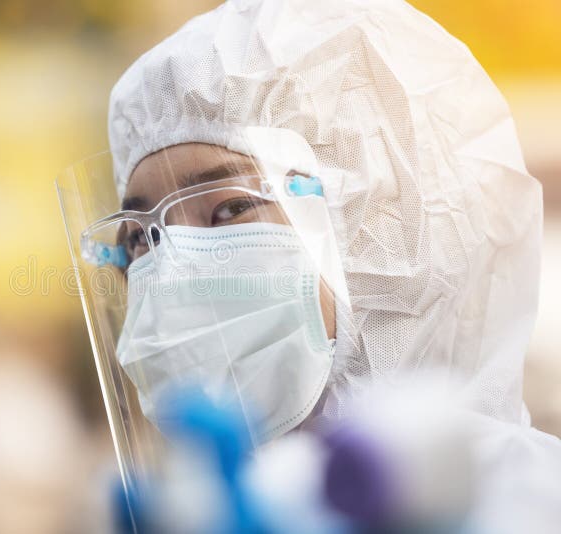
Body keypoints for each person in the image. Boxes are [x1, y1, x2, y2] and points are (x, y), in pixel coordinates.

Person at [58, 0, 561, 530]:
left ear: (385, 226)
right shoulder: (218, 511)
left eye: (230, 208)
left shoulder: (525, 503)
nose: (170, 273)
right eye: (141, 238)